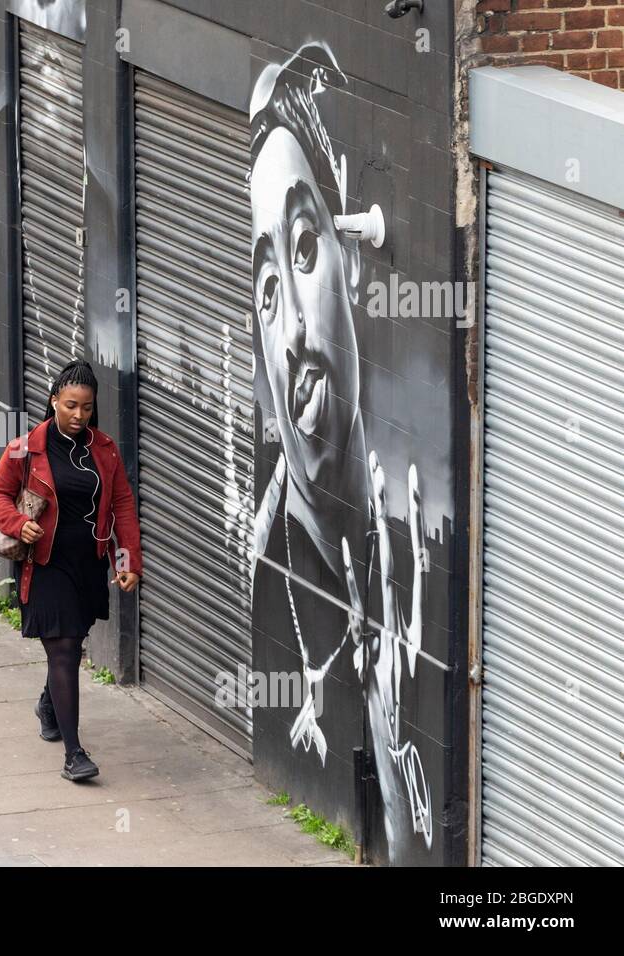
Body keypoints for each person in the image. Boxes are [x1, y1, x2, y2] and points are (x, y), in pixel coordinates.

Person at [248, 41, 431, 860]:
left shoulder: (419, 537)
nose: (290, 334)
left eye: (306, 249)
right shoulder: (266, 568)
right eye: (265, 292)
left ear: (353, 255)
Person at [0, 359, 144, 781]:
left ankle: (48, 703)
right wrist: (19, 525)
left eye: (87, 407)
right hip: (46, 565)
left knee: (72, 644)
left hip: (88, 565)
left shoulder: (105, 450)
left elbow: (124, 506)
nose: (78, 415)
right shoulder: (25, 448)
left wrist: (126, 560)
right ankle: (74, 755)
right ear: (54, 400)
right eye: (71, 405)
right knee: (65, 650)